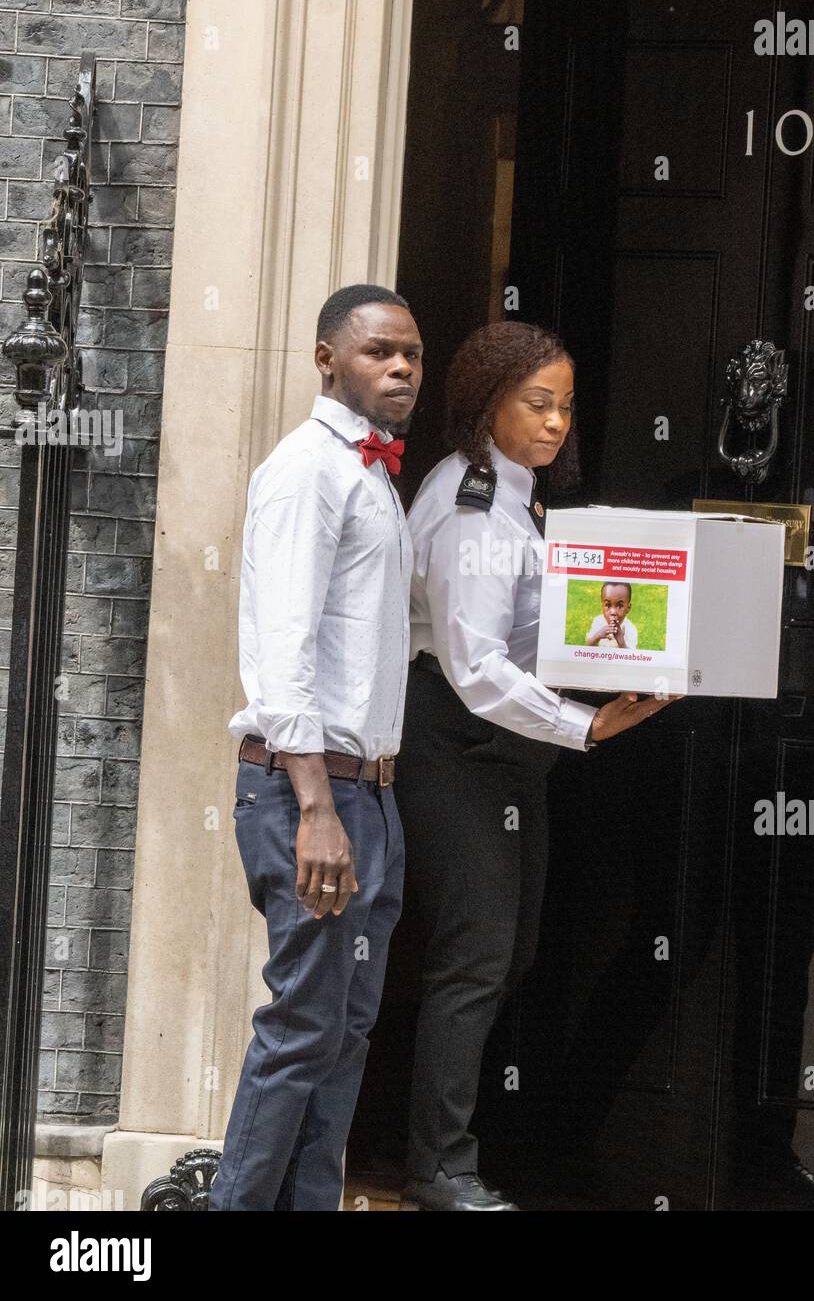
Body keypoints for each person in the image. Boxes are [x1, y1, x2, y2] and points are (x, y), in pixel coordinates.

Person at [395, 321, 674, 1212]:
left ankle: (457, 1142)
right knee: (477, 958)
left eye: (565, 405)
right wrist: (586, 729)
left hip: (510, 748)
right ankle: (437, 1167)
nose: (556, 423)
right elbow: (477, 670)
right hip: (460, 740)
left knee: (508, 955)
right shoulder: (473, 505)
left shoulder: (518, 499)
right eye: (537, 403)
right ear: (488, 405)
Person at [208, 283, 423, 1212]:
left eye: (412, 352)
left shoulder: (374, 474)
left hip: (369, 794)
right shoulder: (308, 469)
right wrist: (318, 809)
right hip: (314, 793)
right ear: (328, 359)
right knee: (302, 1027)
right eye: (380, 351)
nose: (403, 367)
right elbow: (281, 650)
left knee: (344, 1033)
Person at [585, 581, 638, 649]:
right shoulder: (598, 621)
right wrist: (597, 636)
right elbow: (587, 646)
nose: (613, 612)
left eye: (619, 606)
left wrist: (621, 642)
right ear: (602, 606)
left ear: (628, 608)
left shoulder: (630, 629)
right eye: (608, 605)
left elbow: (631, 657)